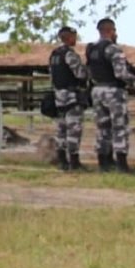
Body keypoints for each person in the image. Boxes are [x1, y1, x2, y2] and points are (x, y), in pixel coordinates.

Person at [85, 17, 135, 173]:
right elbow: (121, 74)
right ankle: (122, 164)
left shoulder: (91, 49)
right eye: (114, 30)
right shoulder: (113, 49)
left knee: (102, 127)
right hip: (113, 92)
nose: (115, 33)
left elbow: (89, 71)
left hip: (97, 91)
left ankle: (103, 162)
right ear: (109, 30)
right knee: (120, 127)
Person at [48, 25, 89, 172]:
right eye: (74, 36)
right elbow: (80, 74)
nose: (75, 39)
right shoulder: (69, 54)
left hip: (58, 97)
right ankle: (74, 162)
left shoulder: (54, 55)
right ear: (68, 37)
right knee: (74, 129)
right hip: (72, 97)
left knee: (61, 130)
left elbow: (52, 76)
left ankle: (62, 161)